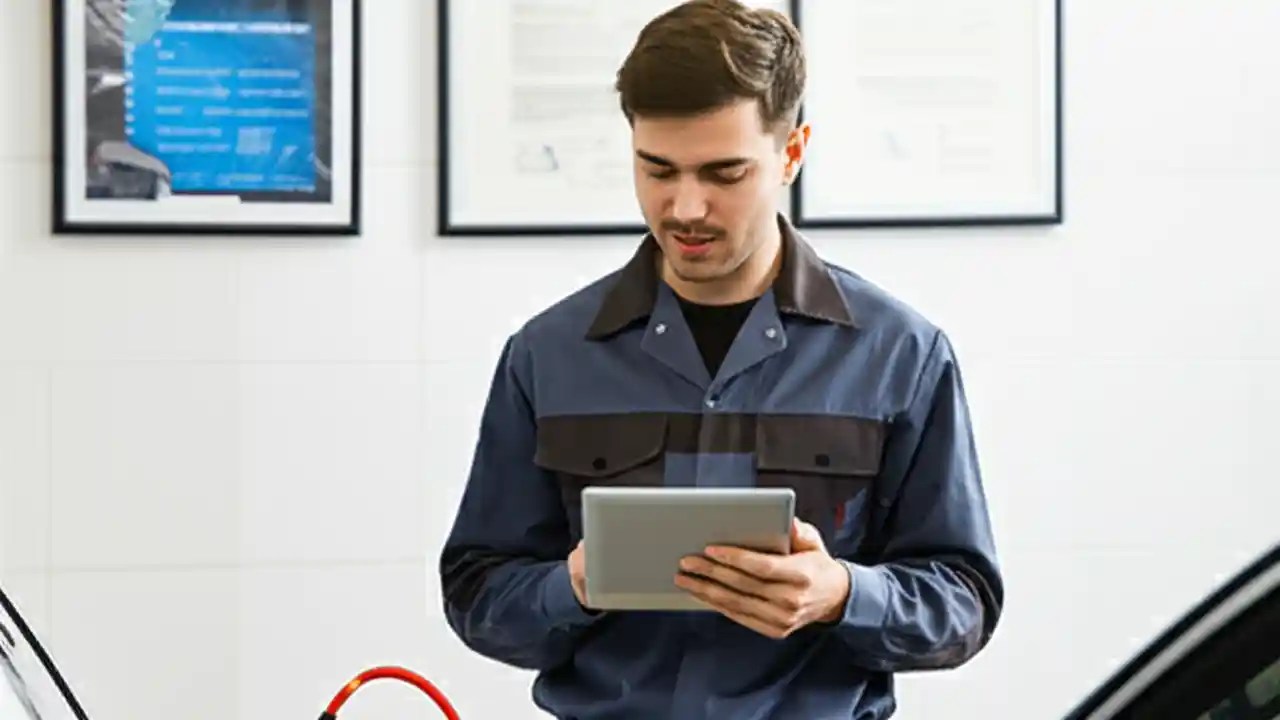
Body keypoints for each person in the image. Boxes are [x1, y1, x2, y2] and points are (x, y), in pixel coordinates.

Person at [438, 1, 1003, 717]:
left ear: (791, 153)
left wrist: (843, 596)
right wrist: (571, 587)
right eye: (658, 170)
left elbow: (964, 600)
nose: (686, 208)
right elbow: (476, 592)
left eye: (723, 173)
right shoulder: (546, 356)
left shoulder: (902, 355)